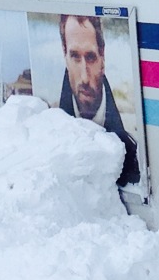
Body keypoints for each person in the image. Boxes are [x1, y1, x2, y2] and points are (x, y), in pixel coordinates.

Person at [57, 13, 139, 188]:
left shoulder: (132, 138)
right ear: (64, 55)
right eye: (75, 57)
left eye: (91, 57)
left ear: (103, 57)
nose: (85, 77)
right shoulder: (48, 125)